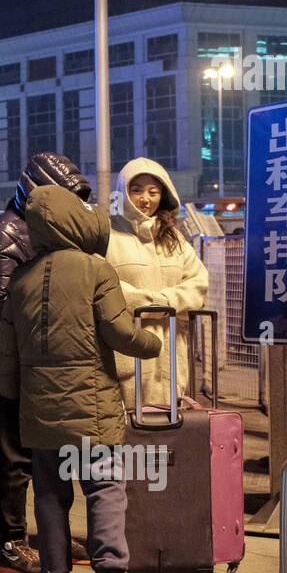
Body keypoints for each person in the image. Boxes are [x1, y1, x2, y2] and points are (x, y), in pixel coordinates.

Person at [0, 182, 164, 573]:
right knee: (105, 487)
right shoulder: (96, 269)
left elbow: (8, 355)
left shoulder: (20, 278)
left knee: (50, 494)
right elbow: (120, 333)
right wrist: (153, 343)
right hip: (91, 407)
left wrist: (14, 400)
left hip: (38, 411)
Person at [0, 152, 95, 573]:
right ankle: (10, 543)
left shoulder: (60, 230)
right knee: (14, 454)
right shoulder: (6, 232)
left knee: (56, 452)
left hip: (57, 364)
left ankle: (52, 537)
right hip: (19, 363)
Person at [105, 157, 209, 408]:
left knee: (168, 426)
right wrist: (155, 304)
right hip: (127, 348)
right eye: (137, 190)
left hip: (171, 351)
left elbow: (198, 283)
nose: (145, 199)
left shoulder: (173, 237)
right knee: (127, 432)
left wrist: (161, 303)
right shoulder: (107, 234)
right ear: (123, 192)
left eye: (154, 192)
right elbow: (105, 286)